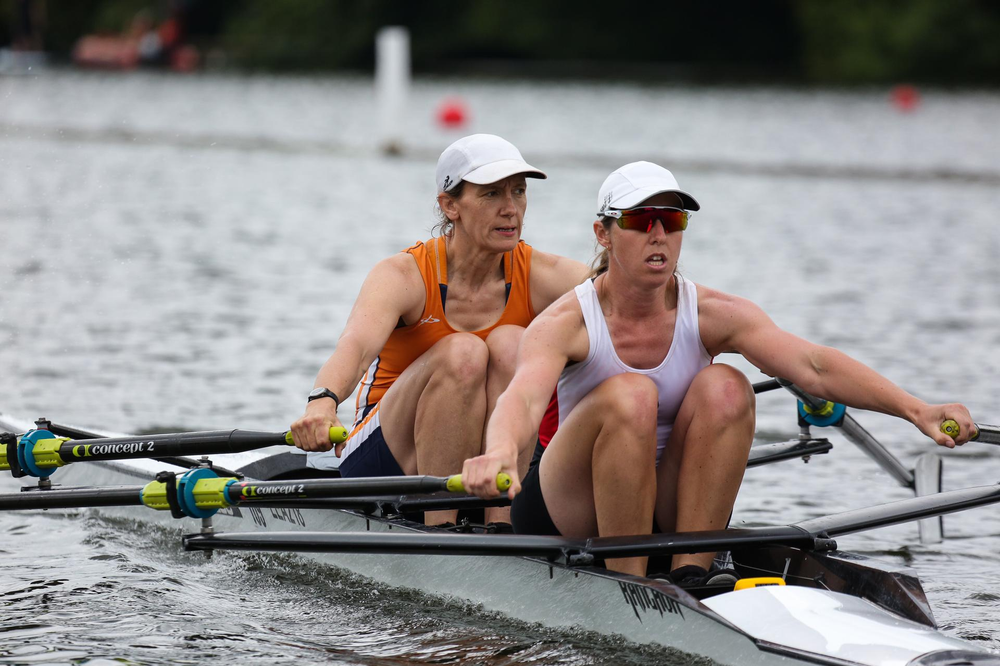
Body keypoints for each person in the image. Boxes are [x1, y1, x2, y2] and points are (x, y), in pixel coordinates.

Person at [461, 161, 976, 581]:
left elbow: (813, 366)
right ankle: (629, 581)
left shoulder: (713, 313)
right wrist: (500, 454)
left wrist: (917, 409)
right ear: (604, 233)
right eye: (641, 222)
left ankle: (691, 573)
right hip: (572, 505)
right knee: (631, 395)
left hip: (667, 501)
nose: (659, 234)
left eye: (673, 220)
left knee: (728, 387)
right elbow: (523, 400)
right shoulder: (567, 321)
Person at [290, 134, 591, 526]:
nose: (511, 209)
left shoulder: (545, 274)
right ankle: (441, 526)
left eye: (518, 192)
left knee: (511, 343)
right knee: (463, 353)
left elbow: (632, 302)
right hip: (384, 458)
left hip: (484, 461)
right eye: (491, 195)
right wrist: (322, 403)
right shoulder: (403, 275)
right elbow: (356, 347)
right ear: (450, 205)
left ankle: (499, 524)